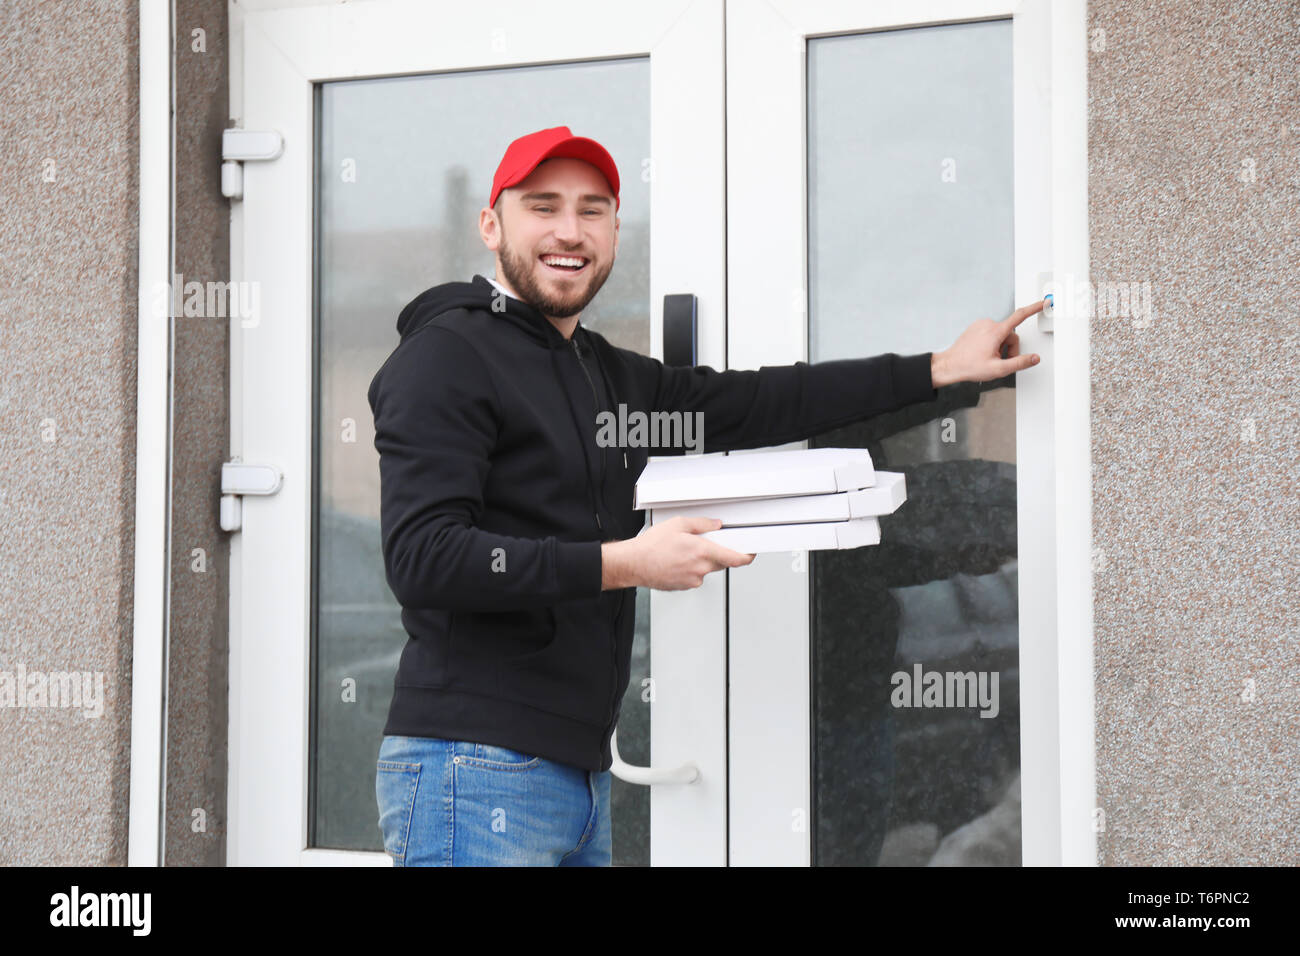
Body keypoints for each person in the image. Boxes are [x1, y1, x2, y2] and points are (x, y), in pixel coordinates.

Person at [368, 125, 1044, 866]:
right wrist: (626, 562)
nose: (570, 231)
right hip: (475, 765)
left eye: (593, 210)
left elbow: (763, 402)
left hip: (575, 773)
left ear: (616, 231)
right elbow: (425, 557)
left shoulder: (608, 374)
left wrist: (939, 371)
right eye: (543, 206)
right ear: (493, 226)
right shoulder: (447, 358)